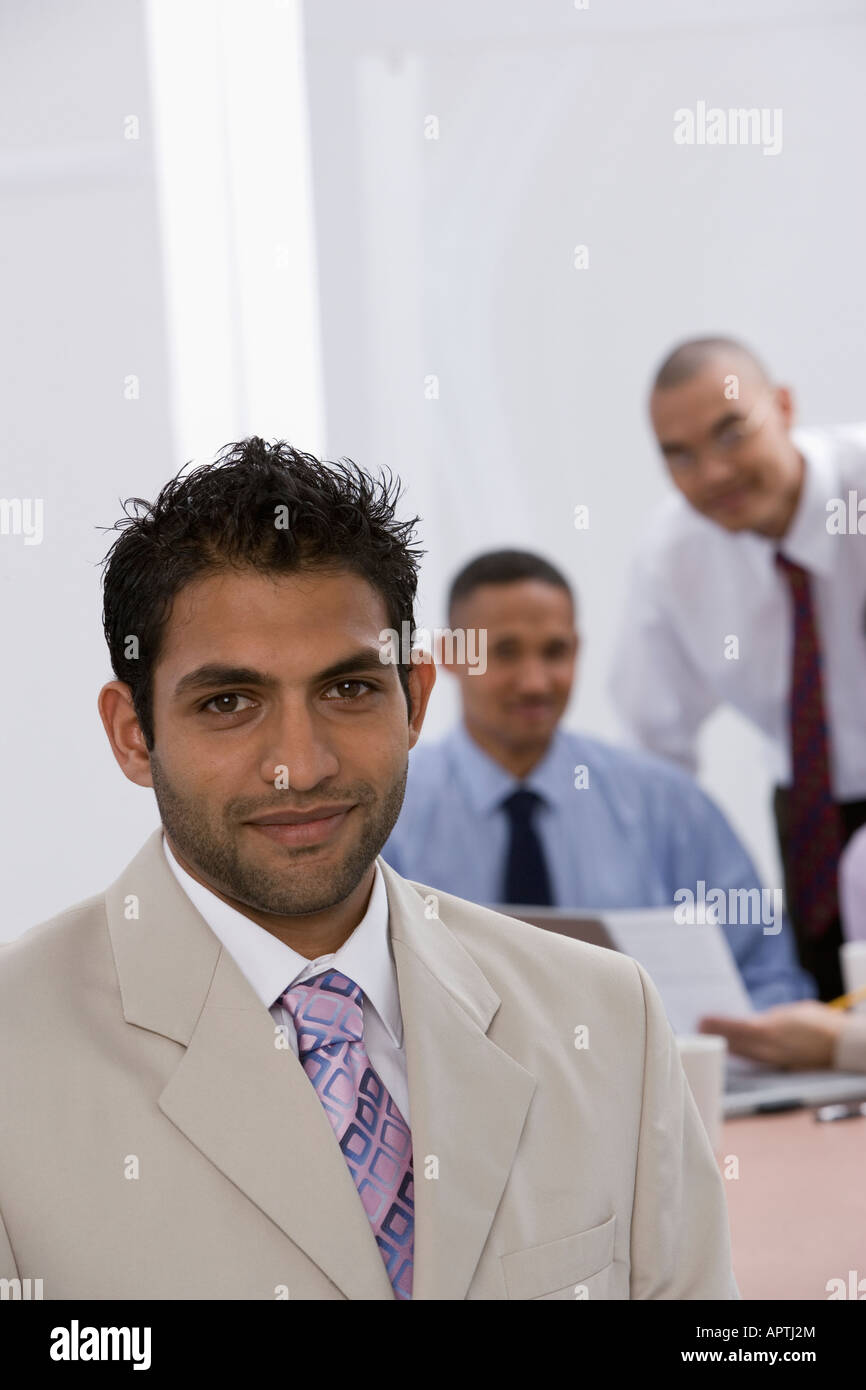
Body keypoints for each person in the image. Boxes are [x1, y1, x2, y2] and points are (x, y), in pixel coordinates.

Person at [0, 439, 736, 1301]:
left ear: (416, 700)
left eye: (348, 690)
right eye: (228, 703)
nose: (300, 766)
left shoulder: (609, 1018)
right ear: (133, 734)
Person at [382, 549, 813, 1012]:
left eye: (555, 651)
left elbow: (768, 978)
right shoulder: (392, 806)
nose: (535, 682)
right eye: (504, 652)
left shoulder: (667, 804)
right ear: (448, 655)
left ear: (577, 649)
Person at [610, 336, 866, 1000]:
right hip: (813, 819)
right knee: (826, 1013)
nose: (714, 473)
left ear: (783, 406)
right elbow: (655, 751)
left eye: (731, 434)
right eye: (681, 457)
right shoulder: (674, 558)